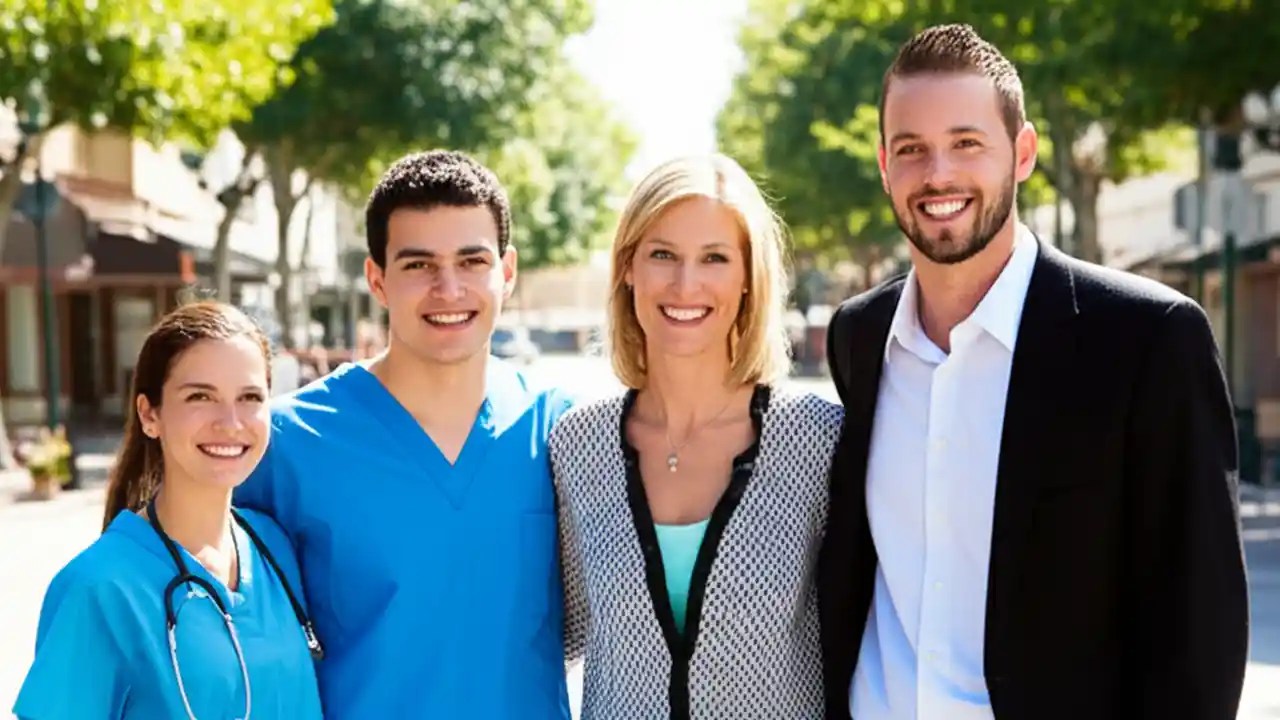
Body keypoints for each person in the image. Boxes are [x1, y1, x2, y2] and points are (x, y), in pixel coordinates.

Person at [818, 23, 1249, 720]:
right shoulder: (861, 339)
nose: (938, 175)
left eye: (966, 143)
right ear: (883, 165)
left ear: (1022, 153)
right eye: (912, 150)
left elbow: (1200, 628)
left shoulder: (1148, 340)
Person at [233, 150, 574, 718]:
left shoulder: (564, 429)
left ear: (507, 272)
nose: (448, 288)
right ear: (377, 278)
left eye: (472, 261)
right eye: (418, 265)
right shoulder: (288, 442)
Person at [551, 154, 843, 719]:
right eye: (663, 255)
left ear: (747, 279)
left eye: (714, 258)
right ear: (628, 267)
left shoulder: (816, 441)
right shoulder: (577, 446)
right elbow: (554, 638)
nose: (686, 284)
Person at [13, 301, 322, 720]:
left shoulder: (275, 549)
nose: (230, 422)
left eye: (249, 397)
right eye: (200, 396)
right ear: (149, 414)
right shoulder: (99, 588)